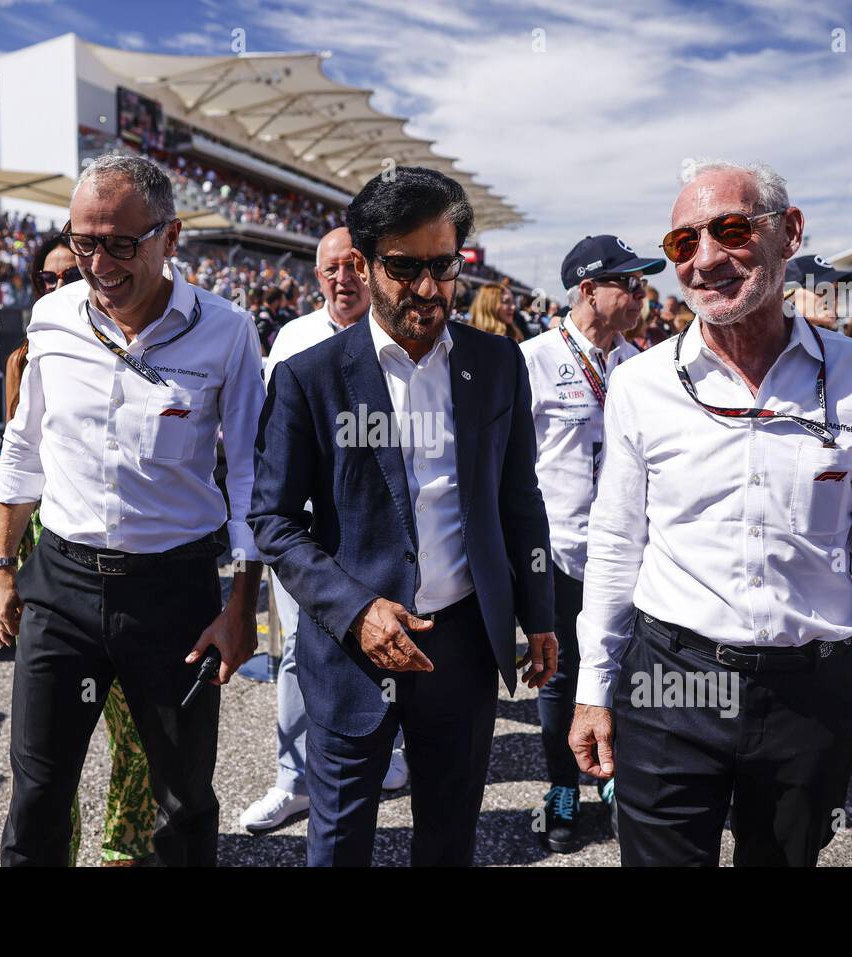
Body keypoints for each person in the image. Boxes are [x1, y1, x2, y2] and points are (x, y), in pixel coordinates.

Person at [568, 159, 852, 867]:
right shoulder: (642, 383)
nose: (705, 259)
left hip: (807, 691)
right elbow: (617, 541)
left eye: (731, 230)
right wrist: (594, 688)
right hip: (669, 679)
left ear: (789, 232)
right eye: (683, 243)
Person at [249, 166, 557, 866]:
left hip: (464, 645)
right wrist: (356, 609)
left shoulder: (498, 363)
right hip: (352, 648)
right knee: (337, 841)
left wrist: (538, 613)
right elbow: (272, 518)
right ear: (364, 262)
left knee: (449, 837)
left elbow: (519, 496)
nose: (427, 287)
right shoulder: (310, 376)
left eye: (442, 266)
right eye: (404, 266)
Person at [0, 152, 265, 866]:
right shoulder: (50, 317)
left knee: (183, 800)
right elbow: (22, 451)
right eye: (84, 241)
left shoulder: (227, 330)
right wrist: (1, 567)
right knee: (38, 795)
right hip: (62, 584)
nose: (98, 261)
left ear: (169, 238)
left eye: (120, 242)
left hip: (172, 593)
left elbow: (252, 474)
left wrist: (242, 603)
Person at [239, 226, 412, 834]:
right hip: (309, 542)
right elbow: (272, 449)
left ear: (371, 271)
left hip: (383, 537)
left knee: (393, 645)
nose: (342, 280)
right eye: (329, 269)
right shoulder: (293, 340)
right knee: (295, 656)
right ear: (317, 278)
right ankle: (294, 780)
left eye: (353, 267)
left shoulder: (405, 337)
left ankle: (388, 756)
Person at [0, 232, 158, 867]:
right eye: (47, 277)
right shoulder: (23, 356)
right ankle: (53, 852)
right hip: (51, 574)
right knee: (47, 751)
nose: (59, 286)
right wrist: (3, 573)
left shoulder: (135, 345)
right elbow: (16, 465)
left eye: (71, 274)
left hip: (125, 573)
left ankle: (126, 846)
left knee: (138, 735)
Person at [521, 233, 662, 852]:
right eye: (628, 283)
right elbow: (508, 466)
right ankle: (561, 785)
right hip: (558, 552)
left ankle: (611, 774)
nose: (641, 294)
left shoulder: (641, 363)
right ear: (588, 292)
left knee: (626, 670)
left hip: (631, 550)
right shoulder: (533, 359)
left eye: (642, 283)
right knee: (559, 676)